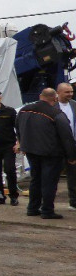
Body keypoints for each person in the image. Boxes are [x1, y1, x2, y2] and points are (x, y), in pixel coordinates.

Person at [16, 88, 76, 220]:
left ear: (40, 96)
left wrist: (22, 144)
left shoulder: (24, 110)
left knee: (35, 179)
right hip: (50, 152)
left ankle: (32, 208)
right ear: (54, 99)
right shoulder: (56, 113)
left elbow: (18, 128)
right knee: (49, 182)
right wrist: (71, 156)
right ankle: (47, 210)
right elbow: (66, 136)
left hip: (31, 151)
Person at [55, 82, 76, 210]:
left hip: (72, 145)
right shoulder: (52, 106)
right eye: (67, 92)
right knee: (52, 175)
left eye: (71, 92)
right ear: (58, 92)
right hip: (56, 147)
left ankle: (73, 201)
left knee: (73, 175)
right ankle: (46, 203)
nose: (70, 94)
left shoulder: (74, 105)